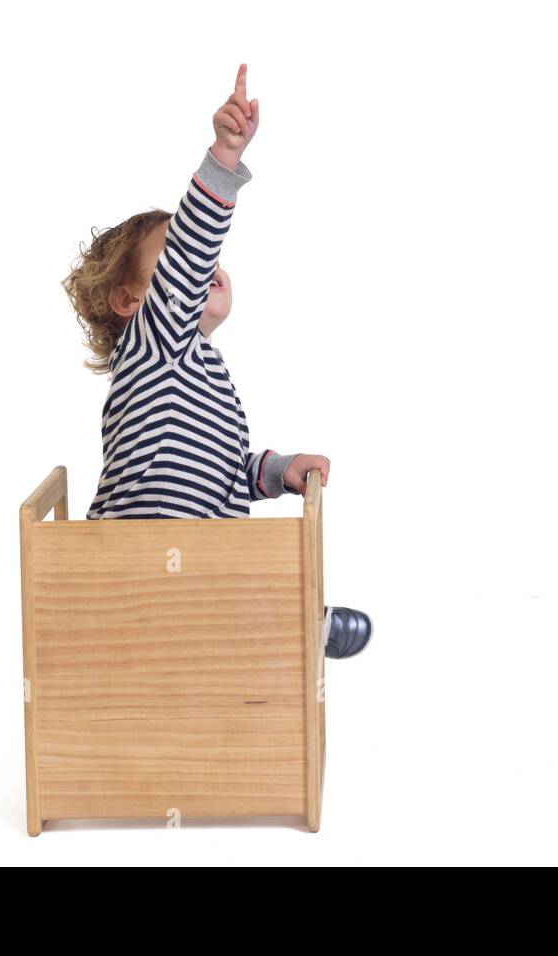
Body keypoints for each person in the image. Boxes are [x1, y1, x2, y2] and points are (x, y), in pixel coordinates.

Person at [62, 63, 370, 659]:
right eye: (182, 260)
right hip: (137, 568)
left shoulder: (202, 371)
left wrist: (276, 472)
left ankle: (284, 616)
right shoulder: (155, 344)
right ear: (133, 300)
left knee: (230, 577)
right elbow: (194, 247)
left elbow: (223, 470)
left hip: (188, 568)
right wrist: (225, 158)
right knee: (235, 581)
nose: (205, 265)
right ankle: (293, 616)